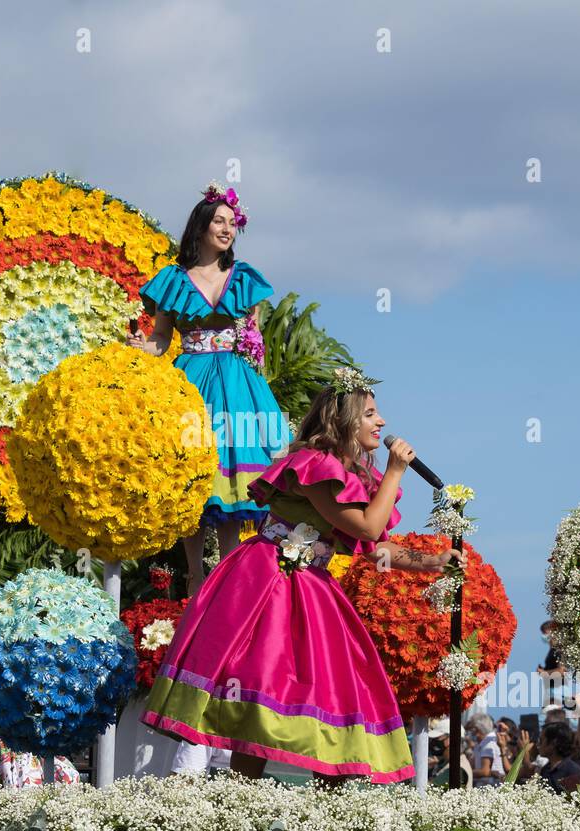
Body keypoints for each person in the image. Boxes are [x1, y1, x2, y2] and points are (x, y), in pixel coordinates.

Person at [138, 372, 468, 784]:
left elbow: (372, 546)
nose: (381, 422)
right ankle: (243, 800)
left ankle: (326, 812)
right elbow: (367, 526)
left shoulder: (351, 478)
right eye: (370, 414)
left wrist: (433, 561)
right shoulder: (315, 466)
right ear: (344, 421)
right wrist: (396, 471)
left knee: (330, 688)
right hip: (268, 582)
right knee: (258, 683)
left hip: (310, 584)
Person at [127, 181, 287, 596]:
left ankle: (232, 576)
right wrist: (142, 348)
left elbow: (254, 338)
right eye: (219, 221)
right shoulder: (173, 279)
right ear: (199, 227)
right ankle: (195, 574)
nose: (227, 229)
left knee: (234, 474)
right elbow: (162, 338)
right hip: (190, 380)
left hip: (237, 384)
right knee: (193, 474)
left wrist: (255, 361)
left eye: (233, 223)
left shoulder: (245, 278)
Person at [468, 713, 504, 787]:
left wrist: (465, 773)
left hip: (491, 787)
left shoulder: (489, 744)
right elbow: (471, 763)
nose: (470, 731)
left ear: (477, 729)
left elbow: (485, 771)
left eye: (471, 728)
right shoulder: (481, 743)